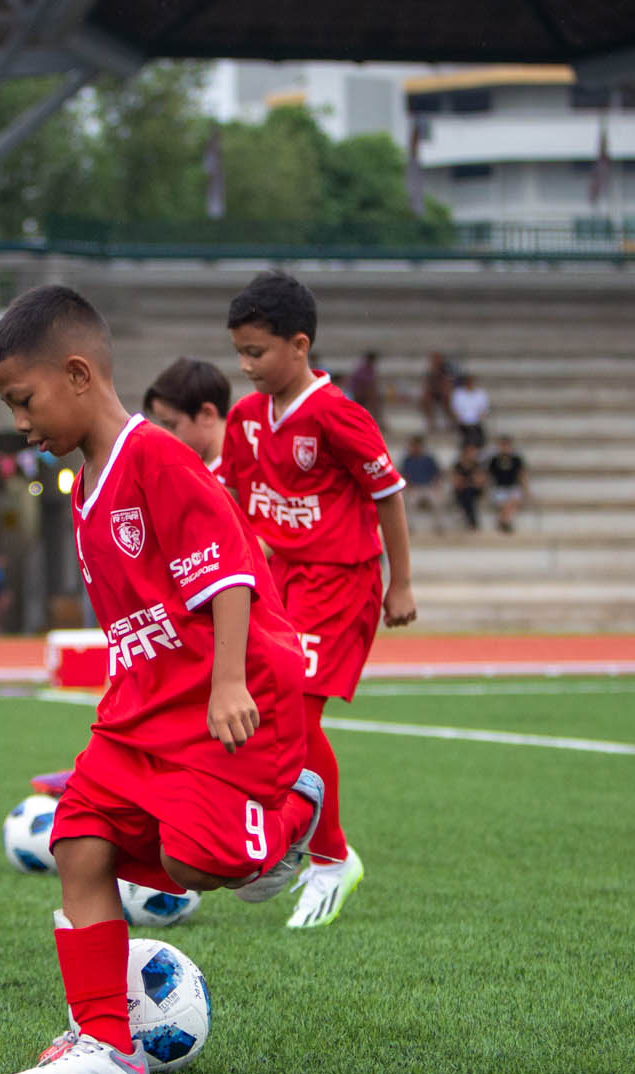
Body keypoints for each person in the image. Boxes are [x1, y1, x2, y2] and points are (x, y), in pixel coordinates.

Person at [0, 284, 324, 1074]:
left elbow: (230, 571)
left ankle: (285, 814)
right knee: (78, 840)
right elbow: (137, 621)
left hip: (226, 703)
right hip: (141, 712)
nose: (19, 423)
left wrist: (230, 681)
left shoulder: (156, 456)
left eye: (23, 400)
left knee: (194, 858)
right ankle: (106, 1045)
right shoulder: (88, 486)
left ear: (76, 374)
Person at [223, 269, 418, 929]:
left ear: (299, 345)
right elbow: (232, 496)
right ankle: (270, 837)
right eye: (240, 353)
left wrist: (403, 581)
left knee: (299, 718)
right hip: (278, 580)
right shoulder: (246, 418)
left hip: (341, 579)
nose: (246, 366)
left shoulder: (338, 415)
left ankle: (331, 857)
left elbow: (387, 490)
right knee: (258, 713)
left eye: (257, 352)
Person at [141, 356, 232, 477]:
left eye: (172, 425)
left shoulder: (236, 476)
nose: (167, 434)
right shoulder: (192, 468)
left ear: (207, 414)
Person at [401, 434, 449, 533]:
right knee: (409, 502)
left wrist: (436, 485)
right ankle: (409, 527)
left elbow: (437, 474)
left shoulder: (429, 459)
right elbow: (404, 475)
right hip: (414, 488)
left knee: (437, 502)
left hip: (429, 487)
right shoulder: (407, 460)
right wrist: (408, 485)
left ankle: (439, 526)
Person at [484, 435, 529, 534]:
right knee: (505, 502)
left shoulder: (516, 459)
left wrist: (526, 490)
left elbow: (522, 474)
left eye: (506, 445)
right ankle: (506, 522)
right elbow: (488, 476)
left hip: (513, 488)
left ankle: (502, 521)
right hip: (499, 488)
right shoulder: (494, 460)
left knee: (512, 500)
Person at [448, 372, 489, 452]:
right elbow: (454, 410)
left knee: (477, 435)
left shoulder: (481, 393)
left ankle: (476, 451)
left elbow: (484, 410)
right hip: (463, 423)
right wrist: (460, 420)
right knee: (466, 435)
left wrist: (478, 420)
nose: (470, 383)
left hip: (476, 423)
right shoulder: (458, 393)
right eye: (468, 381)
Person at [419, 352, 458, 433]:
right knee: (426, 399)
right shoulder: (430, 371)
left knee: (446, 398)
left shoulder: (448, 369)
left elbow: (449, 383)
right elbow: (427, 384)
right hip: (435, 392)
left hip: (445, 393)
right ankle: (431, 422)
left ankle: (451, 422)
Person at [450, 441, 485, 530]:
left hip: (474, 491)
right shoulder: (458, 465)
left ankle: (469, 520)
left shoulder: (477, 465)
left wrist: (467, 482)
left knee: (468, 493)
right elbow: (457, 482)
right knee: (466, 493)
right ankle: (472, 522)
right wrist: (469, 482)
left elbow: (479, 482)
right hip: (462, 491)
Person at [346, 350, 383, 425]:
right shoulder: (365, 369)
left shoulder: (364, 369)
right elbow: (367, 384)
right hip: (359, 392)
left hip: (360, 392)